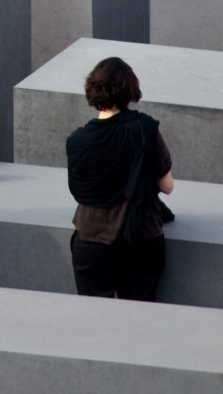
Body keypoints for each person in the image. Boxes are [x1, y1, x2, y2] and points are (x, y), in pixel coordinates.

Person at [64, 54, 175, 301]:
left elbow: (79, 191)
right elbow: (167, 186)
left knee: (94, 322)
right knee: (137, 321)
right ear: (129, 89)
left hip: (90, 240)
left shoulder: (76, 141)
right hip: (140, 238)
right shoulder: (145, 128)